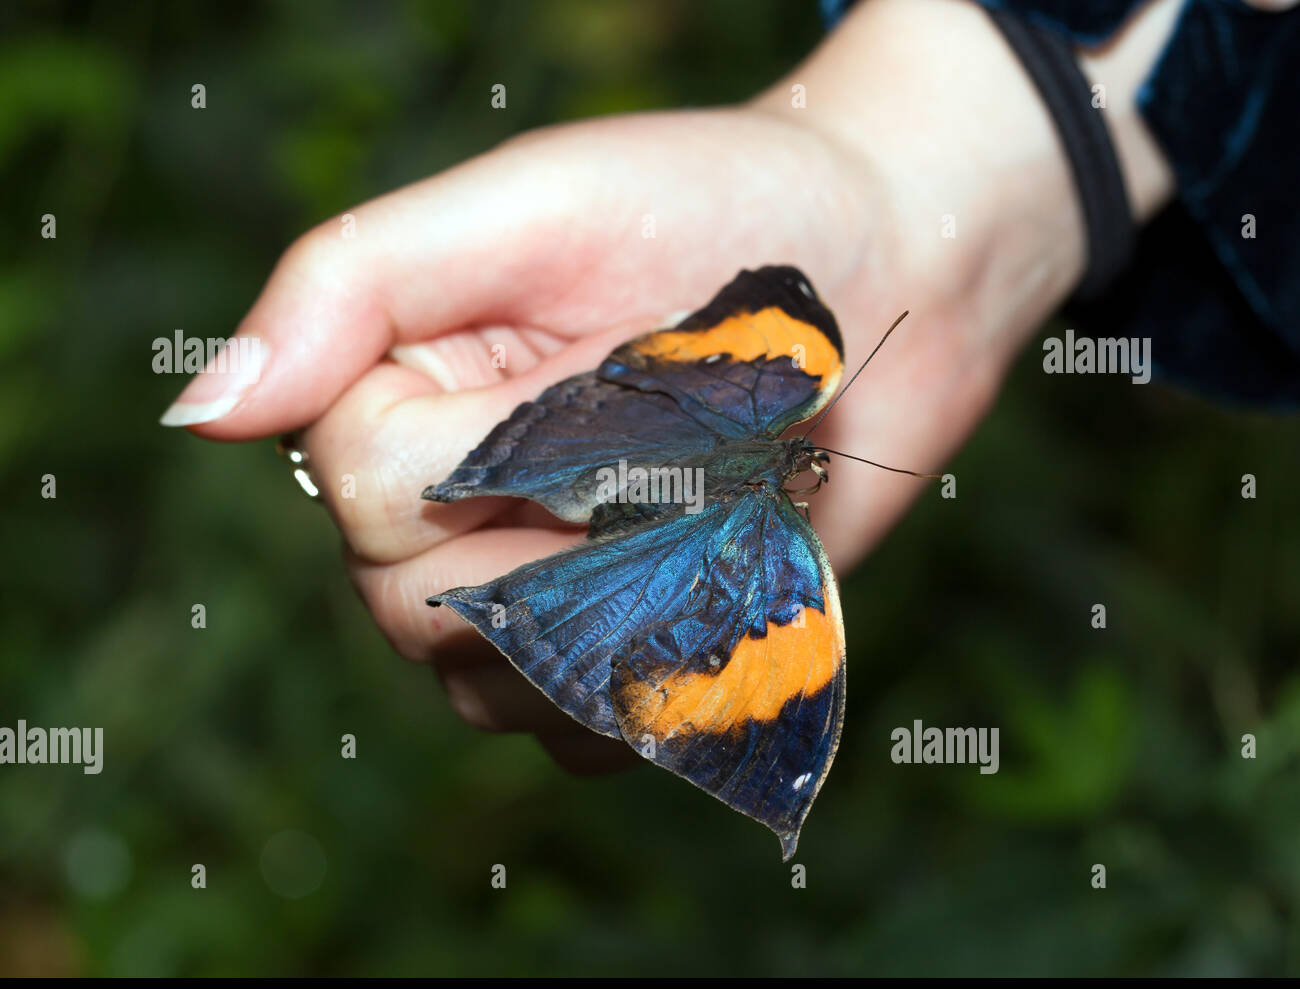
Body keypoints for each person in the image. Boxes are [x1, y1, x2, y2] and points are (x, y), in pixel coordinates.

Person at [159, 0, 1298, 772]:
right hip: (649, 435)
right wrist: (901, 171)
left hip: (649, 431)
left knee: (545, 554)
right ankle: (515, 514)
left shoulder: (788, 376)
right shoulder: (802, 380)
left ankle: (517, 518)